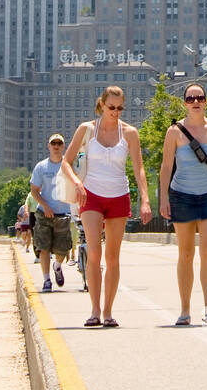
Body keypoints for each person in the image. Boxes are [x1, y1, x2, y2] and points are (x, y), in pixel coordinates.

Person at [61, 86, 152, 327]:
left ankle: (109, 312)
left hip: (118, 195)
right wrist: (77, 183)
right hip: (91, 195)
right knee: (94, 253)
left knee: (112, 257)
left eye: (120, 108)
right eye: (111, 107)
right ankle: (95, 310)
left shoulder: (130, 133)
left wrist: (145, 199)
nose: (116, 112)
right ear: (101, 105)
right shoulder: (87, 129)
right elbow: (66, 163)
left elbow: (139, 168)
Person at [158, 82, 207, 326]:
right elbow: (166, 167)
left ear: (205, 101)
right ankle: (184, 310)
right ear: (184, 102)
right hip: (181, 195)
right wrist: (163, 199)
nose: (195, 102)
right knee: (186, 253)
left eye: (199, 97)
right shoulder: (174, 132)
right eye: (190, 98)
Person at [30, 135, 74, 292]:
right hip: (44, 214)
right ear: (48, 146)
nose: (56, 146)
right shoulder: (41, 167)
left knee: (62, 249)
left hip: (63, 213)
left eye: (59, 143)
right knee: (44, 247)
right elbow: (34, 191)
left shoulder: (68, 165)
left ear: (63, 146)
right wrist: (45, 205)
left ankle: (57, 266)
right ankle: (46, 280)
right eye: (53, 143)